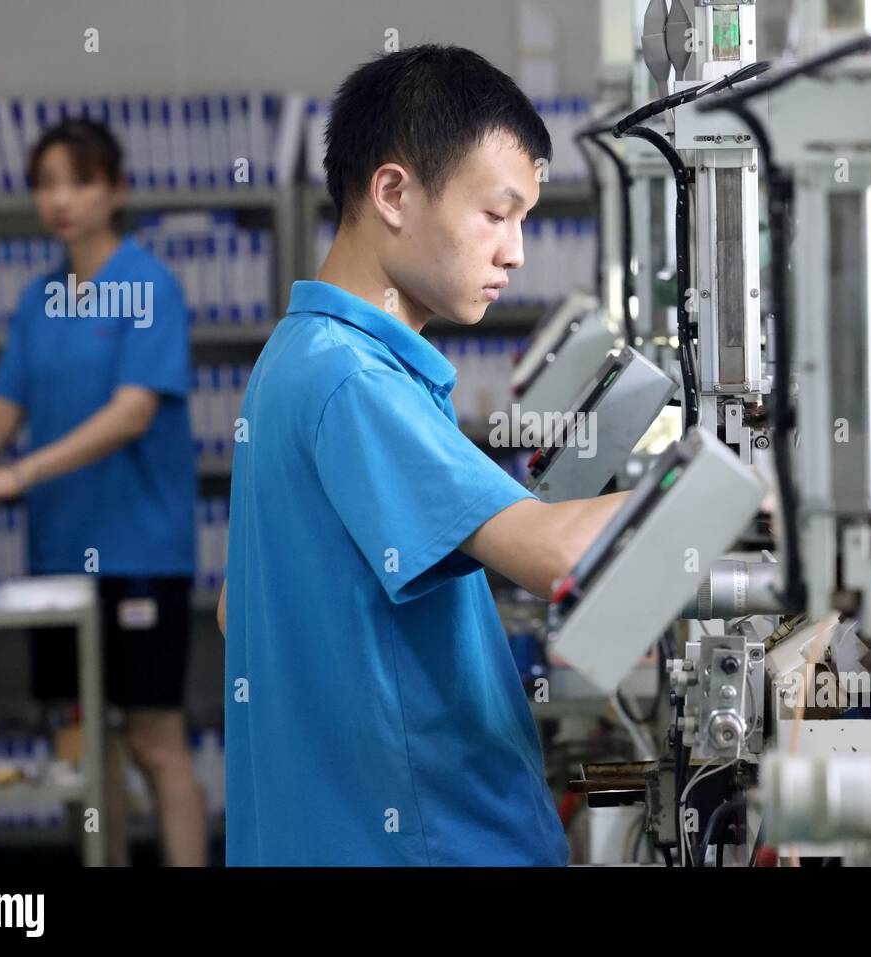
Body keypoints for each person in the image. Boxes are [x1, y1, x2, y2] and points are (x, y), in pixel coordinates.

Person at [220, 44, 631, 866]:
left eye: (525, 221)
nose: (515, 251)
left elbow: (241, 609)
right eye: (496, 214)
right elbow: (550, 553)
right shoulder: (352, 379)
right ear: (394, 193)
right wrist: (756, 491)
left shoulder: (300, 359)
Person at [0, 119, 205, 866]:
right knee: (82, 742)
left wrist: (13, 475)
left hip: (140, 552)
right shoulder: (39, 297)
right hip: (57, 558)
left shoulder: (148, 286)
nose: (61, 199)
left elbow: (133, 410)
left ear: (114, 188)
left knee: (154, 737)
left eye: (78, 180)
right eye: (45, 182)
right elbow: (4, 404)